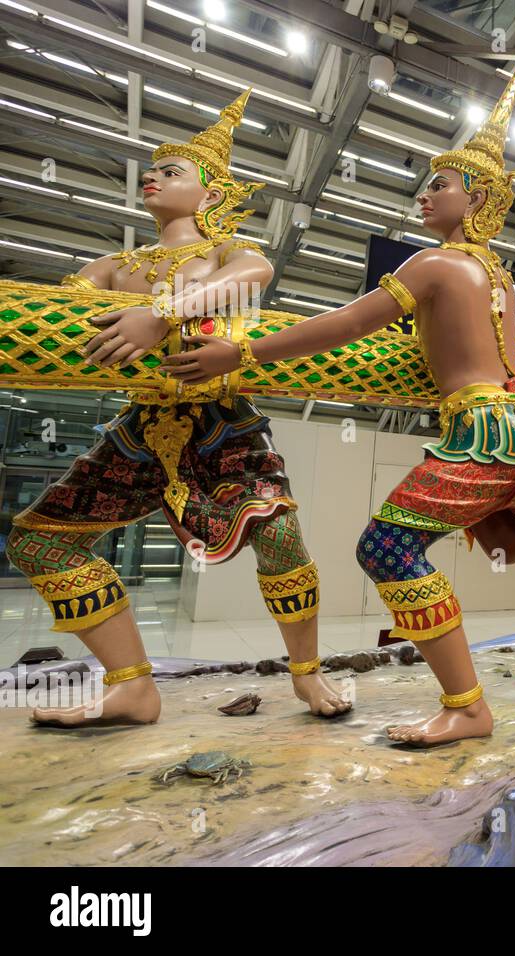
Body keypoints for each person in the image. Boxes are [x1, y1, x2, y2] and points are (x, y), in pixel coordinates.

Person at [165, 54, 515, 746]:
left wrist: (242, 350)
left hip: (482, 432)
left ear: (476, 199)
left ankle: (469, 706)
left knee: (386, 547)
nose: (424, 196)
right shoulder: (498, 276)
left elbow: (348, 325)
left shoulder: (436, 262)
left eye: (438, 185)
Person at [6, 89, 349, 727]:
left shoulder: (225, 255)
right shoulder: (114, 265)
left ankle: (307, 674)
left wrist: (160, 314)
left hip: (223, 422)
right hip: (138, 430)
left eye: (173, 171)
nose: (154, 177)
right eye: (152, 171)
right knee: (38, 542)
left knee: (276, 534)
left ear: (212, 195)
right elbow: (59, 316)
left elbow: (254, 276)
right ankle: (132, 684)